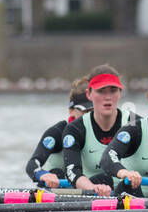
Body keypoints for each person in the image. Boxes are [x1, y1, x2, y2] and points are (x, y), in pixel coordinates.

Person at [55, 64, 129, 195]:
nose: (107, 97)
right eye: (101, 91)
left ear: (120, 93)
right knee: (102, 179)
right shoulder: (75, 129)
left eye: (113, 90)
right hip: (92, 194)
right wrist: (93, 188)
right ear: (89, 94)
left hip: (131, 193)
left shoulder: (134, 123)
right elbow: (72, 171)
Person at [24, 74, 91, 186]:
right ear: (71, 111)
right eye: (86, 111)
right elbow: (32, 164)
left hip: (90, 187)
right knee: (57, 173)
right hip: (58, 187)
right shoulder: (57, 132)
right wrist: (42, 174)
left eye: (93, 111)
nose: (90, 115)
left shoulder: (106, 132)